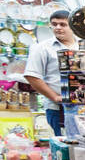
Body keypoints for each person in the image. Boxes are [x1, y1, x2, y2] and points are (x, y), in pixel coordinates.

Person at [23, 9, 79, 137]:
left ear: (72, 25)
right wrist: (54, 97)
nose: (58, 28)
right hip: (57, 108)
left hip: (83, 107)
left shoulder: (83, 46)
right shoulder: (42, 48)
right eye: (54, 24)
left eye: (63, 24)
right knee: (64, 145)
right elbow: (32, 76)